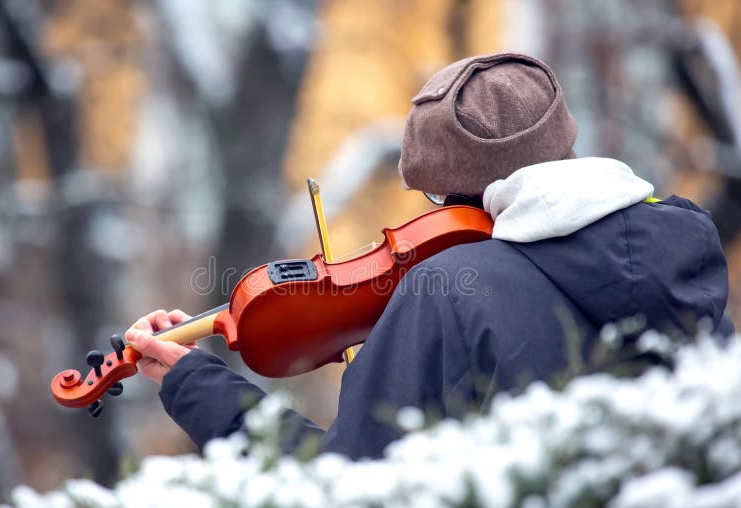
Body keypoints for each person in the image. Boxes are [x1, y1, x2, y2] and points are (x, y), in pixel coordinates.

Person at [125, 53, 734, 460]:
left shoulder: (445, 289)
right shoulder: (682, 259)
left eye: (437, 200)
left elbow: (344, 495)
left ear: (466, 193)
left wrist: (197, 388)